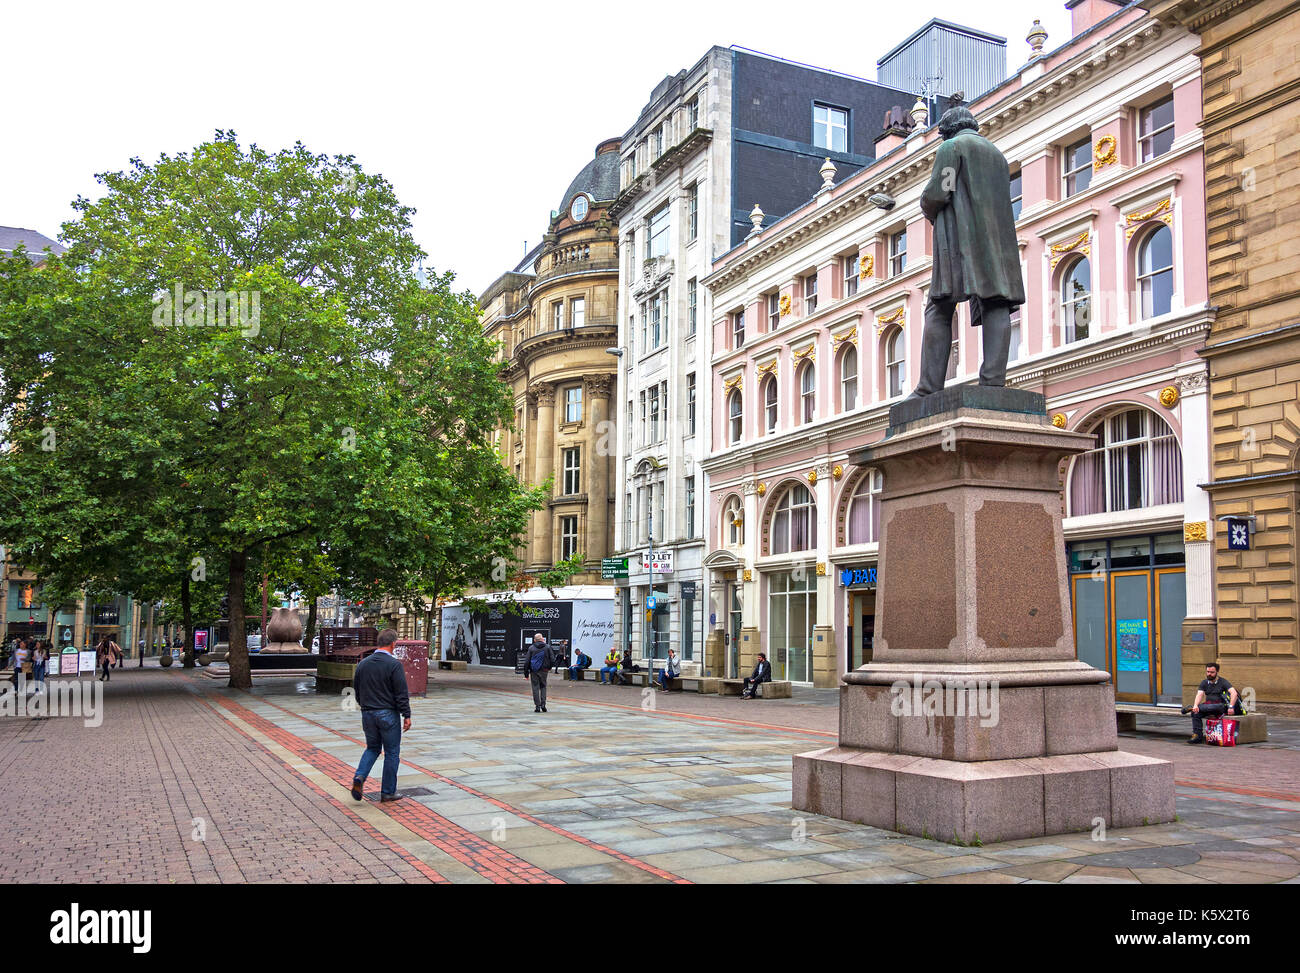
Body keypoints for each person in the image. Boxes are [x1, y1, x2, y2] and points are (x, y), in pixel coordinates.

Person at [905, 105, 1025, 400]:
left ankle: (928, 386)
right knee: (996, 303)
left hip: (960, 240)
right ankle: (993, 382)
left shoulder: (952, 147)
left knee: (939, 306)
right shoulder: (997, 155)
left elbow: (940, 190)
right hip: (998, 243)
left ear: (946, 131)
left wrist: (925, 203)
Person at [350, 629, 412, 802]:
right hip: (387, 714)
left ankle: (359, 776)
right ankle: (388, 792)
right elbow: (401, 693)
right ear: (393, 644)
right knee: (392, 752)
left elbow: (357, 690)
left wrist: (365, 706)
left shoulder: (363, 664)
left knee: (372, 748)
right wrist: (406, 715)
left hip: (368, 713)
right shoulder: (394, 665)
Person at [1185, 661, 1239, 744]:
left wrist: (1231, 706)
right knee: (1195, 713)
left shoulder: (1223, 682)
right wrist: (1195, 705)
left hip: (1220, 707)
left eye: (1212, 672)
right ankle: (1197, 736)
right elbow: (1199, 695)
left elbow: (1234, 693)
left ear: (1217, 672)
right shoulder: (1204, 682)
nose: (1209, 674)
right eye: (1208, 672)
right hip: (1208, 706)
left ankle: (1192, 707)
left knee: (1214, 706)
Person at [523, 632, 554, 713]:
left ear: (534, 640)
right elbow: (552, 659)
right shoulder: (547, 647)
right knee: (543, 686)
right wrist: (549, 667)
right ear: (542, 639)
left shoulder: (531, 648)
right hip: (544, 670)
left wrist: (526, 673)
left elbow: (526, 662)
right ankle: (543, 705)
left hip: (534, 671)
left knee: (535, 687)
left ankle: (537, 706)